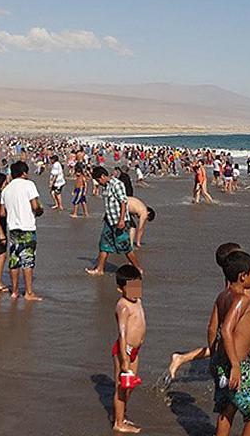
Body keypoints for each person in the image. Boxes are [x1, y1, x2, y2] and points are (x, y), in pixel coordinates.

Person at [167, 244, 250, 402]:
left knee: (219, 348)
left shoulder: (233, 277)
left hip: (236, 319)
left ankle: (182, 358)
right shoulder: (239, 276)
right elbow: (235, 300)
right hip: (240, 324)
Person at [211, 250, 250, 436]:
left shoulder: (222, 296)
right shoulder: (242, 300)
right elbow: (226, 329)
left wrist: (214, 358)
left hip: (221, 361)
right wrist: (235, 365)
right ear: (242, 276)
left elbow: (212, 329)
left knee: (228, 407)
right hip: (236, 364)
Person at [0, 160, 43, 301]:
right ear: (24, 173)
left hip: (12, 228)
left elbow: (2, 213)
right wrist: (39, 210)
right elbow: (35, 206)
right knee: (27, 260)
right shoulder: (29, 185)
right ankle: (29, 292)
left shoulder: (6, 189)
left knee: (14, 259)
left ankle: (15, 291)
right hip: (27, 227)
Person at [86, 166, 141, 275]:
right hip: (109, 221)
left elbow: (123, 202)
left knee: (125, 247)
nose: (98, 183)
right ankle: (99, 269)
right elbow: (110, 204)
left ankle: (138, 268)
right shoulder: (106, 186)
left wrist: (121, 220)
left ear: (103, 176)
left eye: (98, 180)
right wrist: (105, 217)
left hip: (119, 222)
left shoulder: (117, 185)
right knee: (103, 245)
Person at [111, 264, 145, 433]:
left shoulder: (137, 301)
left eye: (138, 286)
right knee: (121, 386)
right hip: (124, 351)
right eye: (131, 288)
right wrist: (124, 359)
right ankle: (118, 422)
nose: (135, 291)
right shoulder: (123, 306)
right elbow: (122, 334)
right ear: (120, 289)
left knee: (129, 386)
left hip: (135, 352)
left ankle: (121, 414)